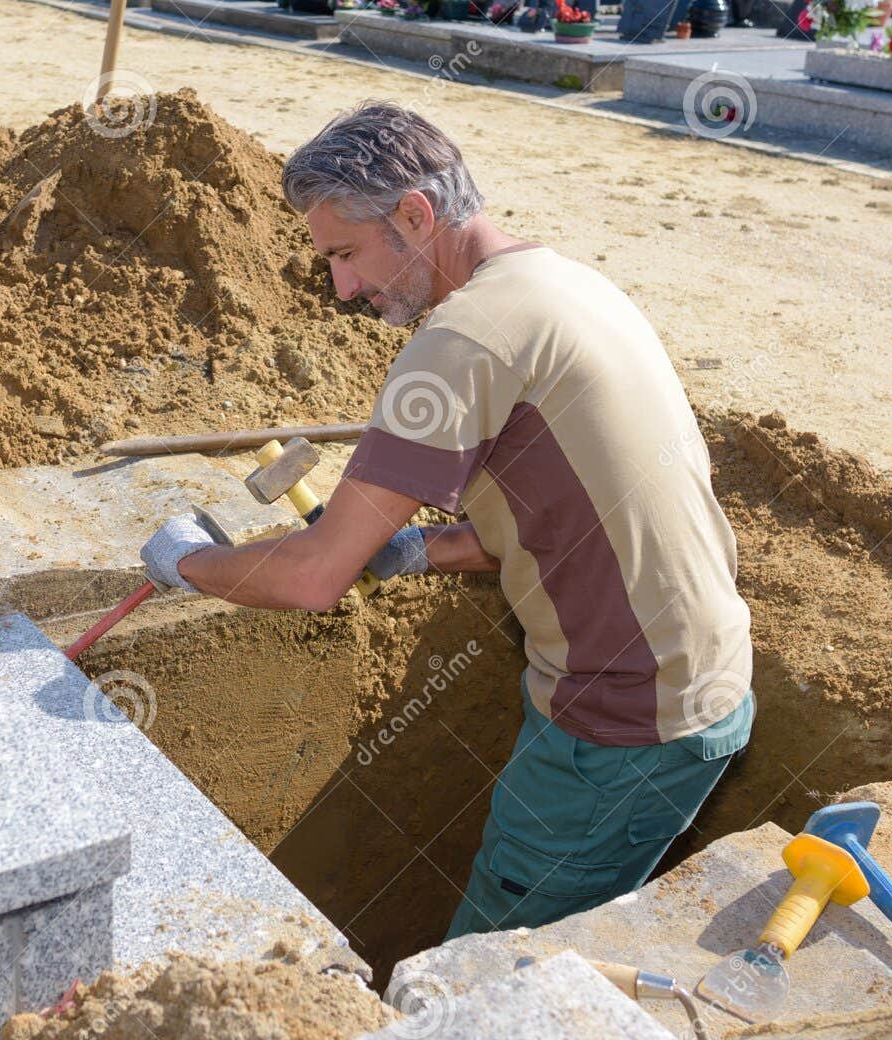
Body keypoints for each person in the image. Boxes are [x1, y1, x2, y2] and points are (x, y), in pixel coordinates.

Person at [139, 103, 754, 940]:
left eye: (346, 254)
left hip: (621, 728)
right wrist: (423, 548)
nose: (343, 288)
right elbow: (580, 505)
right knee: (554, 943)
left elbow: (318, 574)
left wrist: (188, 564)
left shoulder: (462, 341)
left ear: (415, 215)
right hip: (702, 684)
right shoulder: (563, 283)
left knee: (481, 970)